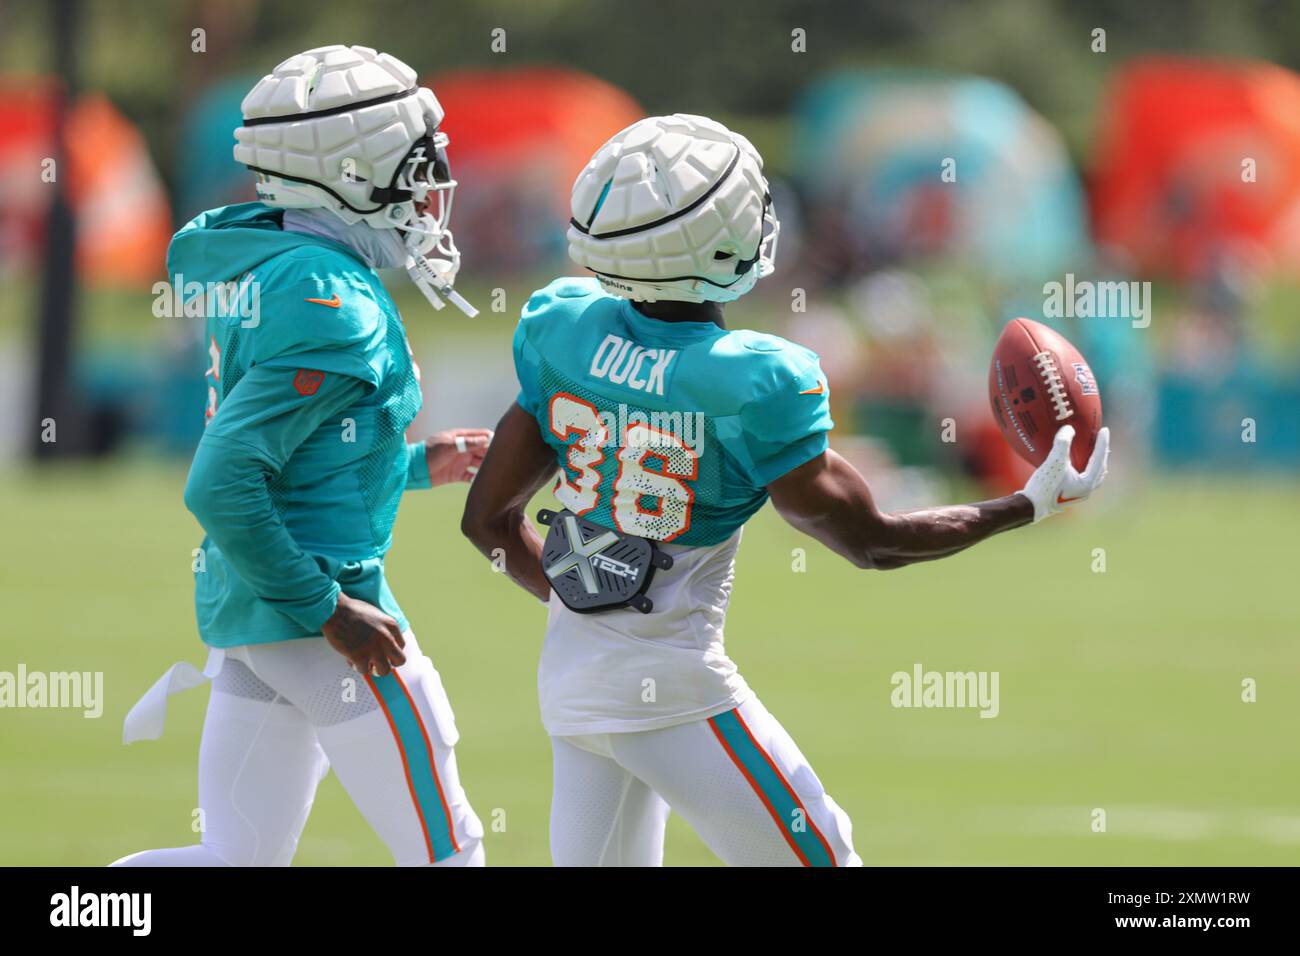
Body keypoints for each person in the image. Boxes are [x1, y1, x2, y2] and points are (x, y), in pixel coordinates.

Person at [461, 113, 1109, 867]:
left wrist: (587, 594)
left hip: (570, 688)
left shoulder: (558, 326)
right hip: (674, 692)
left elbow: (487, 522)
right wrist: (1025, 504)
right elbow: (874, 542)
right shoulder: (753, 379)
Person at [114, 45, 488, 867]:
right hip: (316, 614)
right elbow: (222, 479)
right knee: (450, 854)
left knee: (236, 861)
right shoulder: (330, 299)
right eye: (411, 169)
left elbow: (303, 450)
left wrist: (418, 463)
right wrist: (328, 607)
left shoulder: (273, 260)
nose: (430, 194)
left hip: (253, 616)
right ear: (350, 174)